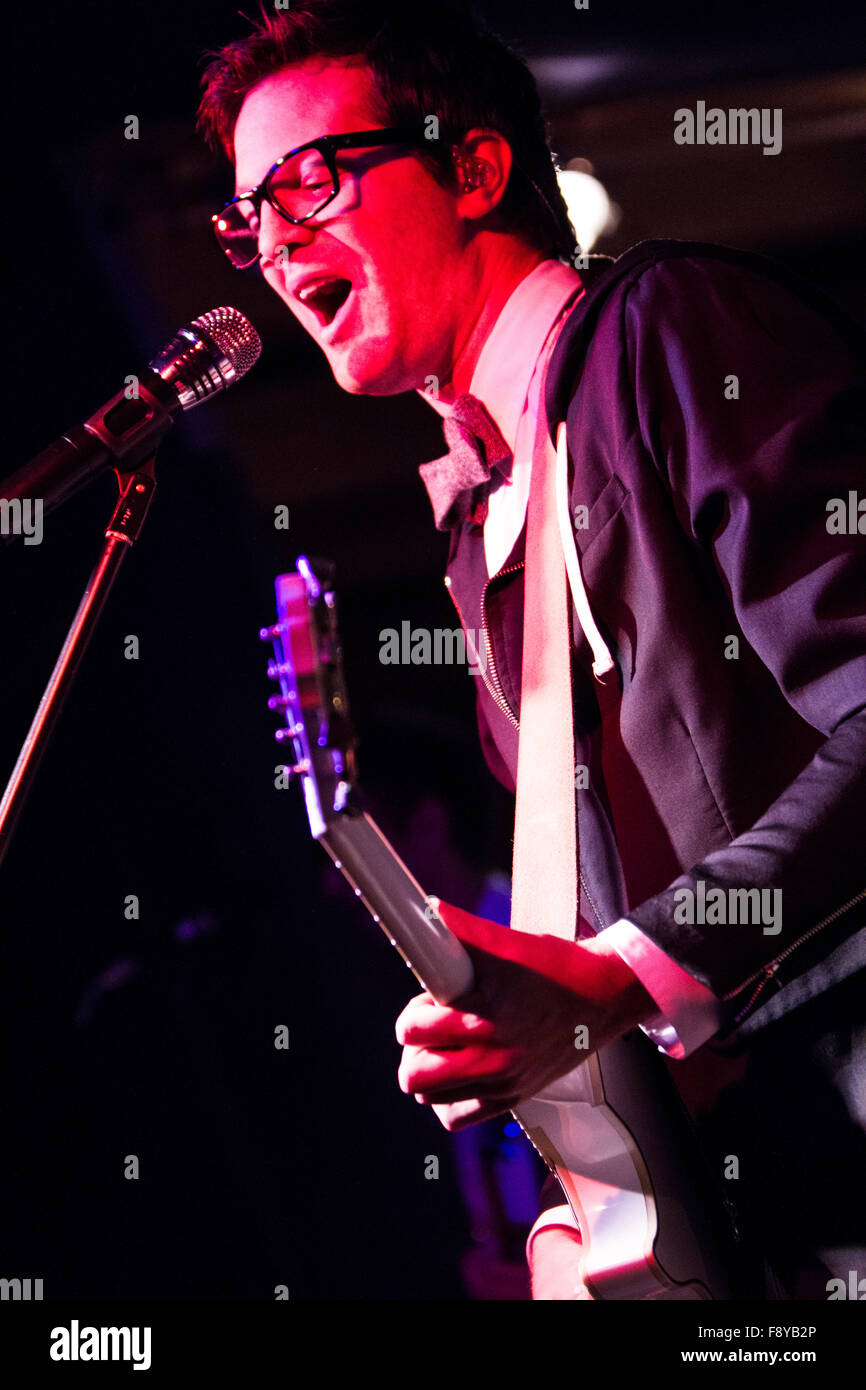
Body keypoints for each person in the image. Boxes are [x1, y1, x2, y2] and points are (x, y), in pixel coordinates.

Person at [197, 1, 866, 1299]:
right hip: (774, 1182)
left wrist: (620, 976)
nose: (274, 244)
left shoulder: (668, 331)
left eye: (309, 180)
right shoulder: (474, 523)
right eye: (246, 216)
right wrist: (584, 1161)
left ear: (475, 166)